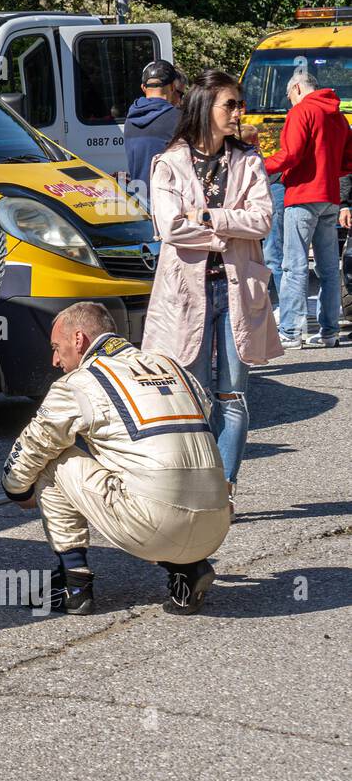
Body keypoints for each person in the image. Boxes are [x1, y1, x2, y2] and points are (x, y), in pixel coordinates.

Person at [2, 302, 231, 616]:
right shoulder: (172, 366)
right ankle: (188, 570)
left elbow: (33, 447)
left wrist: (17, 489)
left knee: (50, 460)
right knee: (156, 468)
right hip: (216, 523)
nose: (55, 360)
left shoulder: (80, 382)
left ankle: (74, 585)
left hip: (154, 523)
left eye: (57, 347)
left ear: (79, 340)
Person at [141, 69, 282, 508]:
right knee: (197, 397)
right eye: (231, 104)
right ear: (205, 107)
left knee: (234, 394)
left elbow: (262, 220)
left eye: (238, 104)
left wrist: (208, 218)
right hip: (189, 293)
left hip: (238, 291)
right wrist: (226, 228)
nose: (239, 112)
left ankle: (224, 490)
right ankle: (200, 489)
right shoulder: (169, 162)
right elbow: (170, 228)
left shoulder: (248, 160)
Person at [265, 69, 352, 347]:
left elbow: (290, 154)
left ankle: (290, 332)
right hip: (329, 197)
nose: (290, 101)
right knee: (328, 268)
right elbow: (348, 161)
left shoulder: (301, 112)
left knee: (294, 266)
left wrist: (259, 165)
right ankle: (329, 332)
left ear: (298, 89)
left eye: (290, 95)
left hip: (302, 195)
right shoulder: (338, 116)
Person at [124, 60, 184, 202]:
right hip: (168, 203)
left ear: (143, 88)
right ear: (172, 86)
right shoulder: (178, 118)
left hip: (140, 201)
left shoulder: (130, 119)